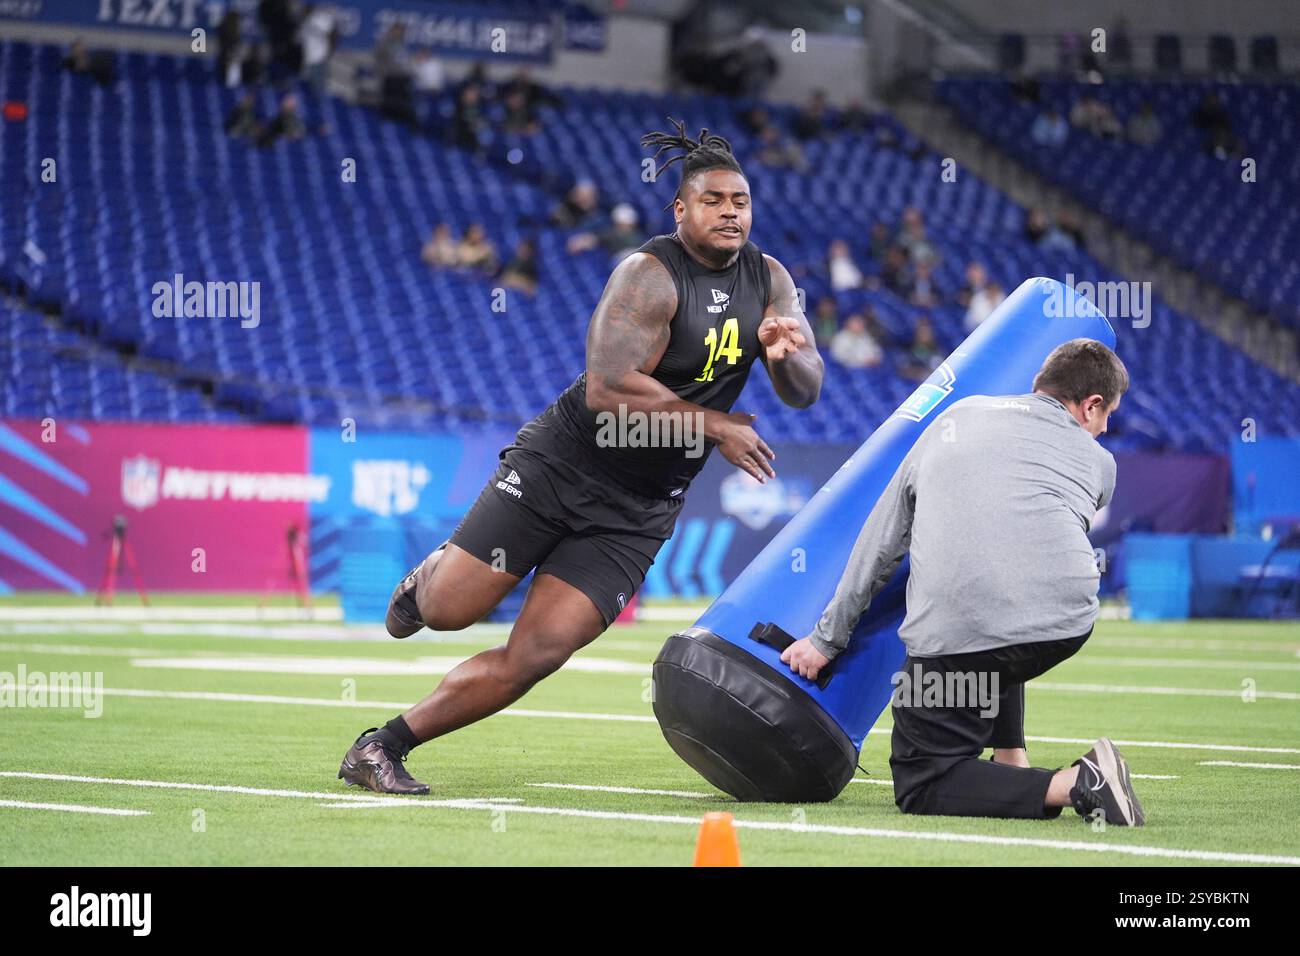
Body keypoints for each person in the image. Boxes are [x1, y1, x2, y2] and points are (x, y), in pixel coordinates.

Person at [338, 121, 824, 794]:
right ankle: (430, 579)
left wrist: (786, 356)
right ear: (680, 209)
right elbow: (607, 390)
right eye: (713, 200)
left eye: (740, 200)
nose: (730, 212)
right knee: (450, 611)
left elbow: (806, 390)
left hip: (637, 509)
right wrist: (714, 424)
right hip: (561, 469)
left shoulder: (769, 280)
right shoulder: (648, 276)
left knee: (537, 654)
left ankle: (381, 746)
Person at [781, 339, 1144, 826]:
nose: (1104, 429)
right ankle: (1012, 758)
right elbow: (1020, 545)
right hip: (1067, 623)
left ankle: (1078, 782)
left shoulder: (958, 415)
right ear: (1090, 404)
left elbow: (882, 539)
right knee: (1002, 620)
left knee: (922, 780)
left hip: (968, 630)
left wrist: (826, 640)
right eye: (1107, 417)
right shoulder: (1102, 465)